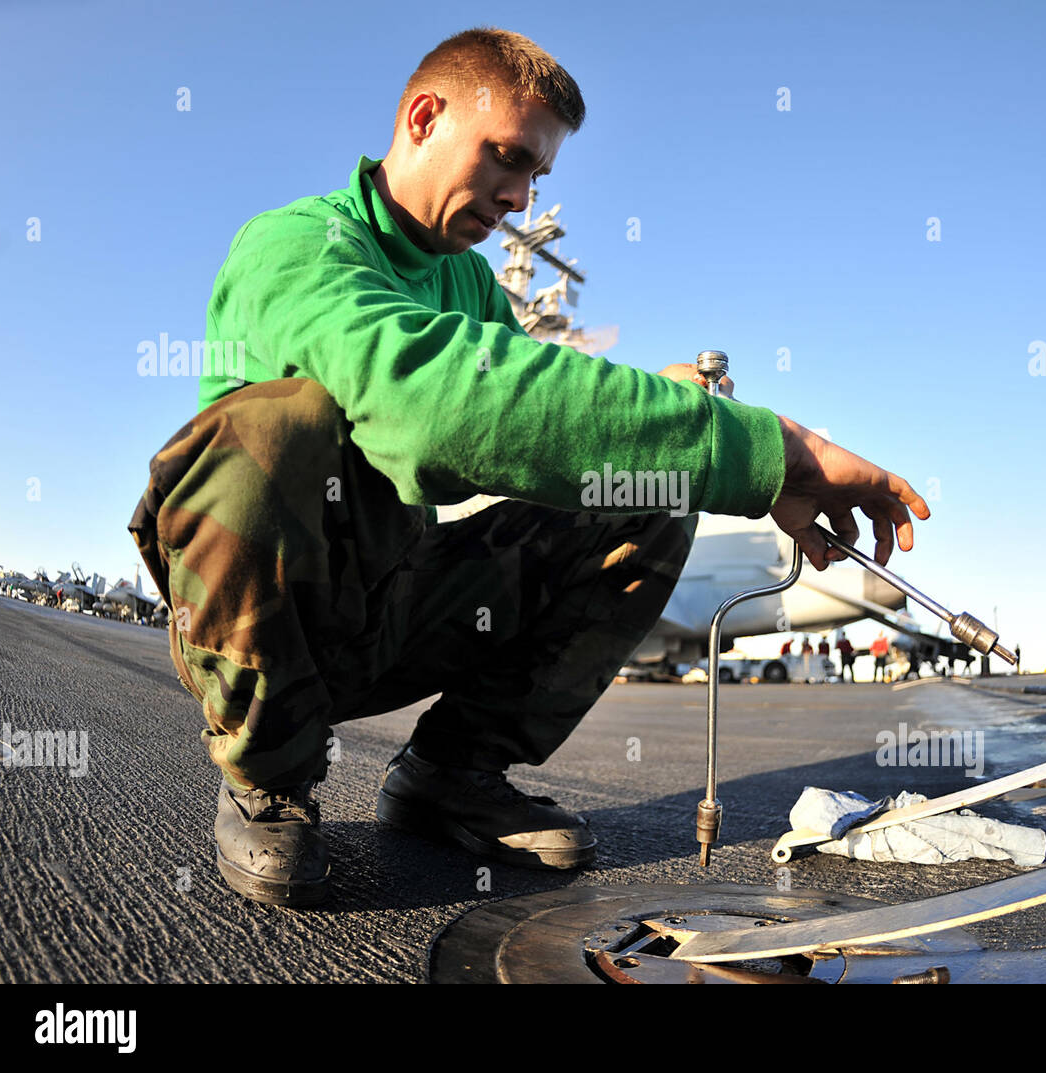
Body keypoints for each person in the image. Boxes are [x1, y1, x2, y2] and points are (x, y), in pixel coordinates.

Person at [128, 28, 929, 908]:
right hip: (283, 623)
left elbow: (531, 434)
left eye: (536, 178)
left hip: (398, 600)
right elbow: (440, 411)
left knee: (643, 493)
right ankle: (269, 771)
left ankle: (450, 774)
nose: (517, 198)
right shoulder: (298, 244)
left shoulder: (472, 284)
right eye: (507, 159)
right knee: (277, 427)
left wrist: (670, 422)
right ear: (424, 117)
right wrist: (770, 448)